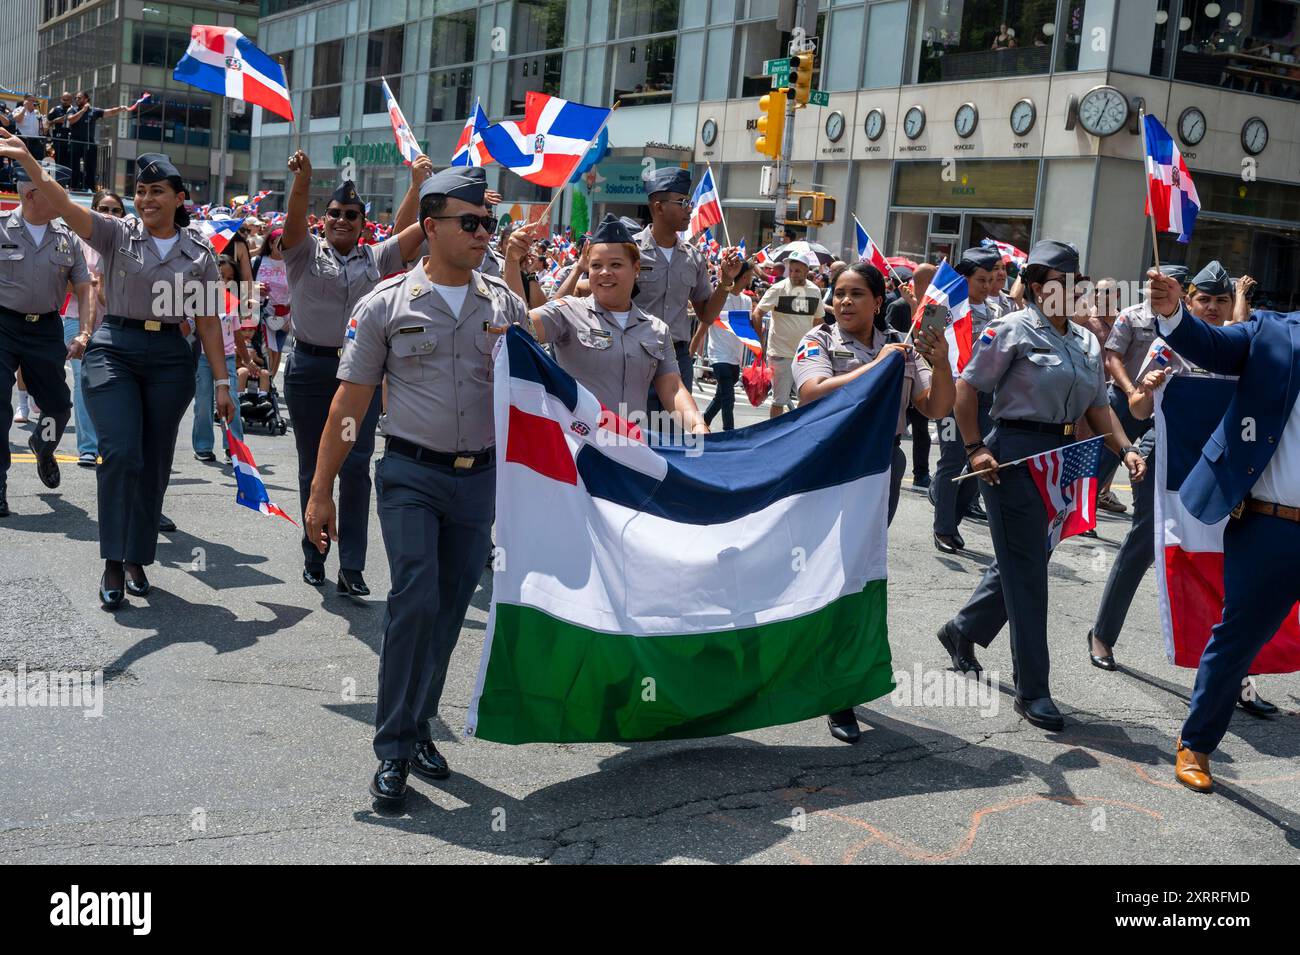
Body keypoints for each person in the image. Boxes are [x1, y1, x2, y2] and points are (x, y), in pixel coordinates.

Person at [305, 166, 525, 807]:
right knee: (415, 597)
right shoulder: (386, 304)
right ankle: (395, 746)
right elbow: (349, 406)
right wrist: (320, 492)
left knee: (452, 607)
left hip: (477, 482)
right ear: (430, 227)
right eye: (471, 222)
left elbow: (535, 397)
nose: (484, 231)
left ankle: (421, 721)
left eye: (488, 222)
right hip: (409, 475)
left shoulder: (503, 306)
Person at [1, 136, 235, 605]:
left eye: (157, 192)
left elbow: (208, 320)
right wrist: (28, 159)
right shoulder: (115, 233)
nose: (147, 200)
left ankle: (136, 558)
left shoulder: (199, 252)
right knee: (122, 453)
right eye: (141, 192)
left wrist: (224, 382)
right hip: (115, 351)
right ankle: (112, 561)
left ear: (178, 197)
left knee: (154, 461)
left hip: (170, 355)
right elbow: (65, 204)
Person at [935, 240, 1146, 731]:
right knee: (1028, 572)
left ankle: (961, 629)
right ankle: (1033, 689)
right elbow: (968, 388)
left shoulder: (1087, 341)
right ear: (1036, 288)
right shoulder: (1011, 328)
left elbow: (1098, 407)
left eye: (1078, 283)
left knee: (1028, 556)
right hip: (1010, 456)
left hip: (1064, 458)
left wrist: (1127, 449)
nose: (1074, 291)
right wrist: (973, 447)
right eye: (1062, 283)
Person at [1088, 261, 1279, 714]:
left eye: (1219, 301)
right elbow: (1136, 412)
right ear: (1188, 302)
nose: (1211, 308)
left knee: (1235, 564)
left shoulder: (1243, 346)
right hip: (1168, 456)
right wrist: (1147, 388)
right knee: (1143, 544)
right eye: (1203, 300)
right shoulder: (1167, 344)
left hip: (1225, 464)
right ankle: (1102, 635)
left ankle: (1236, 674)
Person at [1146, 265, 1300, 793]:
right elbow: (1211, 346)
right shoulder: (1273, 333)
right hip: (1273, 527)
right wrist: (1171, 312)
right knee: (1237, 639)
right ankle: (1197, 743)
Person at [793, 263, 954, 746]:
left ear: (878, 301)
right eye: (838, 294)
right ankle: (802, 663)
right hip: (826, 468)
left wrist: (941, 362)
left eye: (856, 294)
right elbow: (811, 393)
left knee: (854, 575)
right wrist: (878, 363)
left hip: (880, 469)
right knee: (815, 571)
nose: (843, 302)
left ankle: (838, 687)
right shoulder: (818, 341)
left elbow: (936, 407)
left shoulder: (904, 348)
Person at [280, 149, 427, 594]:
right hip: (309, 370)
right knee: (314, 466)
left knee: (357, 466)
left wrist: (431, 190)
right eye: (334, 214)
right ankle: (315, 554)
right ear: (323, 219)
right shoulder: (303, 253)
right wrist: (303, 181)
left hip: (357, 377)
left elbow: (418, 230)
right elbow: (293, 219)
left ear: (365, 222)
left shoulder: (377, 259)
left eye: (351, 215)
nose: (341, 220)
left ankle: (353, 567)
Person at [518, 214, 715, 433]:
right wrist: (511, 261)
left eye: (616, 264)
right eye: (596, 265)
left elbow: (672, 389)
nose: (605, 272)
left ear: (636, 268)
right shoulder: (567, 312)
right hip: (578, 449)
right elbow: (521, 327)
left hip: (630, 450)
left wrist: (698, 426)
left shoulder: (657, 329)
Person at [0, 159, 93, 519]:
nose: (64, 197)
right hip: (3, 324)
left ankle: (43, 442)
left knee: (57, 407)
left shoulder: (68, 237)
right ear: (32, 191)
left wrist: (84, 330)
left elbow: (84, 287)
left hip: (46, 328)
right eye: (59, 189)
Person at [931, 246, 1010, 554]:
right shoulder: (943, 307)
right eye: (982, 280)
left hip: (987, 396)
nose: (989, 286)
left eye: (992, 279)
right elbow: (924, 343)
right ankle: (943, 528)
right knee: (952, 459)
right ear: (964, 279)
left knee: (980, 458)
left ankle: (953, 515)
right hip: (952, 393)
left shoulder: (997, 311)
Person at [633, 167, 732, 409]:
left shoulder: (693, 257)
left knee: (676, 433)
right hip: (635, 353)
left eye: (690, 202)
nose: (689, 209)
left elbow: (706, 314)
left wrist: (726, 281)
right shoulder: (629, 251)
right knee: (631, 428)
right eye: (683, 202)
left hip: (677, 357)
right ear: (658, 206)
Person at [1098, 264, 1190, 505]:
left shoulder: (1188, 322)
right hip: (1126, 397)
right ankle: (1081, 511)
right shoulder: (1131, 315)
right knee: (1106, 458)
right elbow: (1112, 357)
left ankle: (1144, 508)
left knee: (1152, 460)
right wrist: (1130, 390)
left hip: (1164, 403)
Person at [60, 190, 118, 468]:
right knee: (83, 382)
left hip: (114, 321)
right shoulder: (77, 240)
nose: (109, 213)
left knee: (111, 385)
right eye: (103, 208)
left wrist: (104, 284)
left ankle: (110, 442)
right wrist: (86, 283)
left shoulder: (123, 242)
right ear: (93, 210)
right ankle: (88, 446)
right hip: (76, 317)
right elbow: (62, 281)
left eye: (115, 209)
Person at [690, 259, 758, 431]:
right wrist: (689, 354)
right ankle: (729, 433)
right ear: (742, 277)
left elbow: (746, 330)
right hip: (718, 355)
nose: (751, 280)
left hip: (736, 357)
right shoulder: (719, 297)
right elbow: (703, 326)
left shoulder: (747, 301)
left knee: (721, 397)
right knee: (729, 398)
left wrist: (758, 350)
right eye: (749, 276)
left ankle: (703, 422)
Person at [755, 250, 825, 417]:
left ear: (807, 271)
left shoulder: (815, 290)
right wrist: (759, 342)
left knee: (809, 398)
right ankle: (775, 436)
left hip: (806, 354)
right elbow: (757, 314)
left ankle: (797, 434)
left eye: (797, 270)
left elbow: (818, 321)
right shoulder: (778, 288)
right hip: (780, 354)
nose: (793, 274)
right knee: (779, 401)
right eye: (791, 270)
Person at [191, 256, 246, 462]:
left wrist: (247, 360)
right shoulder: (199, 298)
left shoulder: (232, 301)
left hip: (228, 357)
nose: (225, 281)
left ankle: (234, 446)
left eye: (230, 277)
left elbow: (238, 334)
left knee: (231, 400)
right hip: (203, 358)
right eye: (221, 276)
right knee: (203, 401)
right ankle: (203, 445)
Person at [65, 92, 127, 191]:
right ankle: (74, 187)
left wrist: (120, 108)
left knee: (90, 167)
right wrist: (82, 111)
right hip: (75, 142)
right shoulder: (72, 110)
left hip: (89, 143)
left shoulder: (93, 111)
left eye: (79, 98)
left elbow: (109, 112)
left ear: (86, 99)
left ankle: (90, 188)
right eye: (76, 98)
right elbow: (71, 120)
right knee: (74, 167)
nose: (77, 100)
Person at [252, 227, 291, 380]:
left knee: (277, 349)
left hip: (284, 316)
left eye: (285, 244)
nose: (281, 247)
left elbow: (298, 292)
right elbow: (245, 284)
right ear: (270, 244)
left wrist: (292, 317)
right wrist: (255, 288)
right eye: (278, 243)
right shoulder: (258, 262)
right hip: (260, 313)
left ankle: (270, 382)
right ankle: (263, 381)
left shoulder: (293, 264)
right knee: (268, 348)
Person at [46, 93, 76, 170]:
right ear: (61, 99)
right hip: (58, 140)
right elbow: (47, 122)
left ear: (71, 100)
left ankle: (67, 180)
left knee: (69, 163)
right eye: (63, 99)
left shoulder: (74, 110)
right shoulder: (55, 109)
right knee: (57, 161)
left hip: (70, 140)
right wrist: (56, 121)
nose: (65, 101)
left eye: (67, 100)